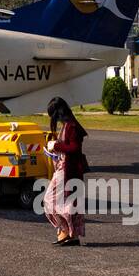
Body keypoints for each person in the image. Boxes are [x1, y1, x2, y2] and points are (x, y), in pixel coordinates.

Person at [43, 97, 87, 246]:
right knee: (67, 202)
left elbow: (74, 148)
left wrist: (56, 146)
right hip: (65, 169)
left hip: (68, 171)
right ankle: (70, 234)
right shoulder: (68, 125)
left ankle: (66, 231)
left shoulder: (71, 126)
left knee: (50, 200)